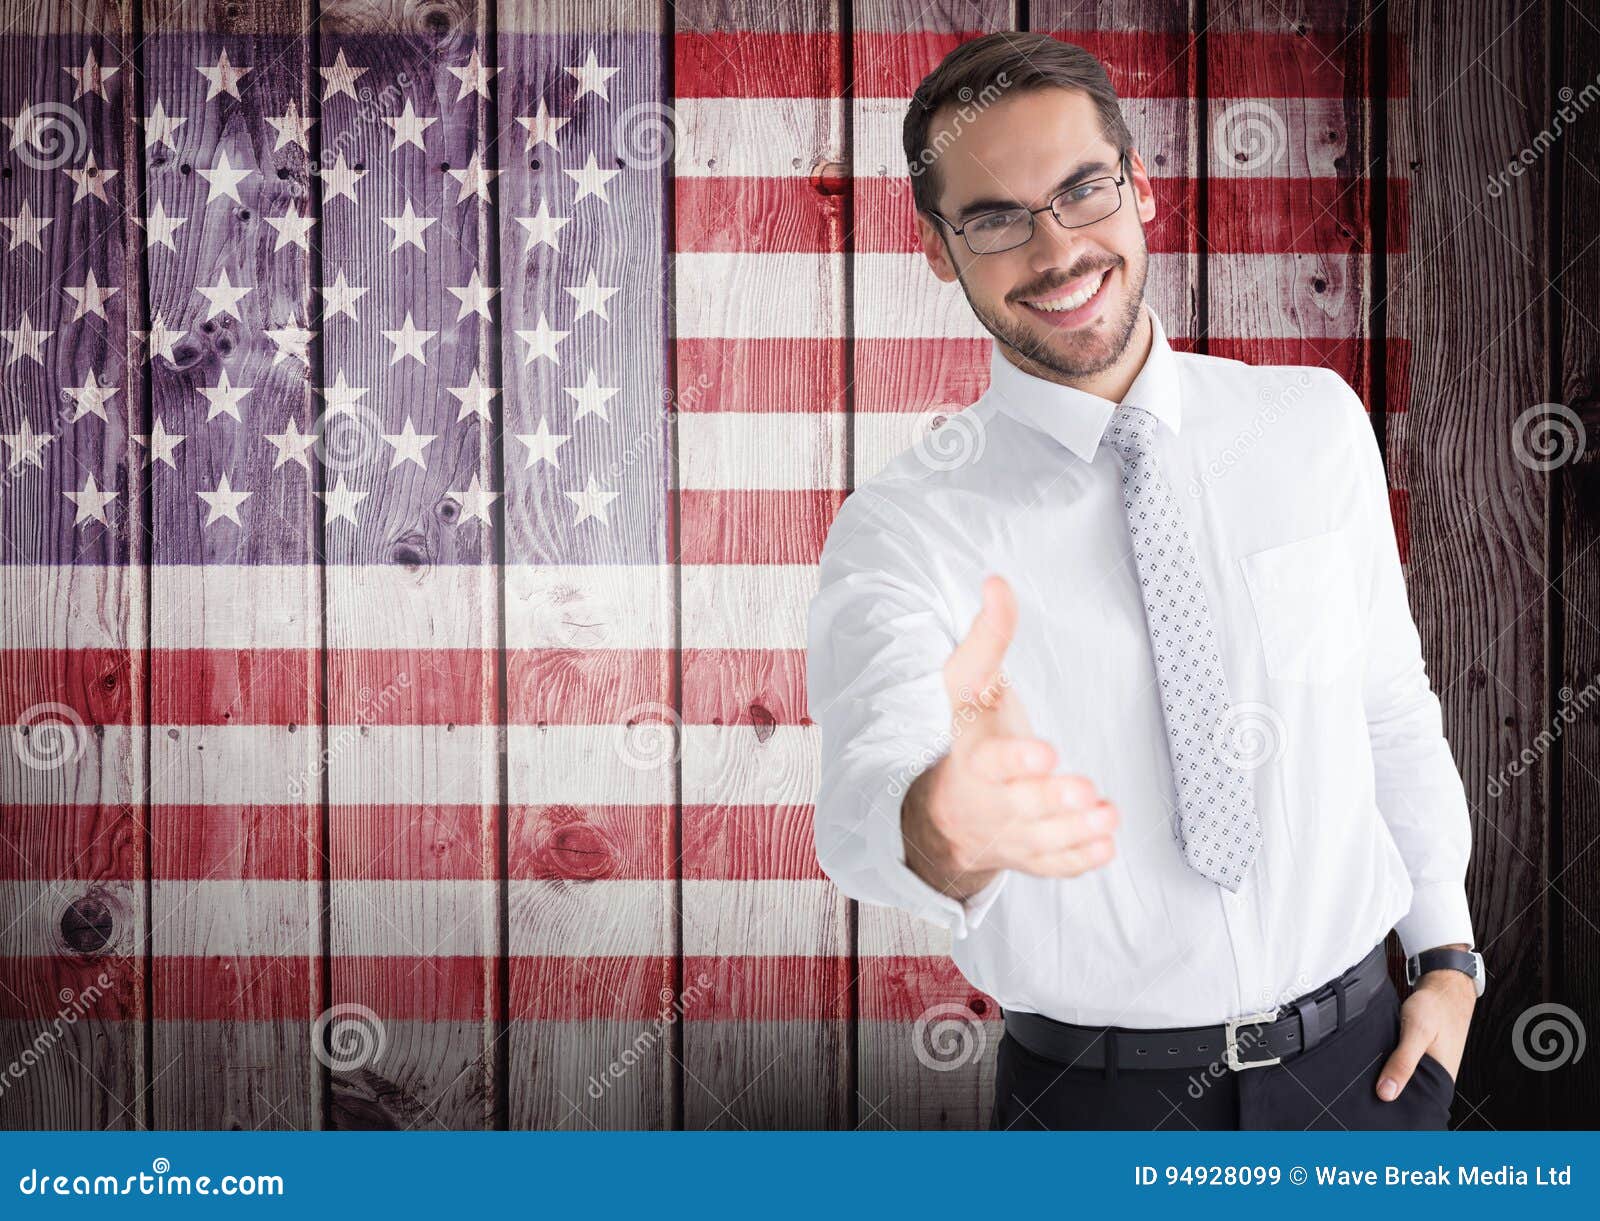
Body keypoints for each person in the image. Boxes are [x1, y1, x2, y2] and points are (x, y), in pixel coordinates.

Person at [805, 31, 1481, 1130]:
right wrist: (944, 823)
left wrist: (1447, 958)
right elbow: (861, 805)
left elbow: (1387, 710)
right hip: (1099, 1110)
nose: (1058, 248)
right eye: (994, 216)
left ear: (1141, 187)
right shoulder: (902, 529)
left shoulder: (1309, 425)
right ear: (937, 249)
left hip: (1371, 1076)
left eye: (1081, 190)